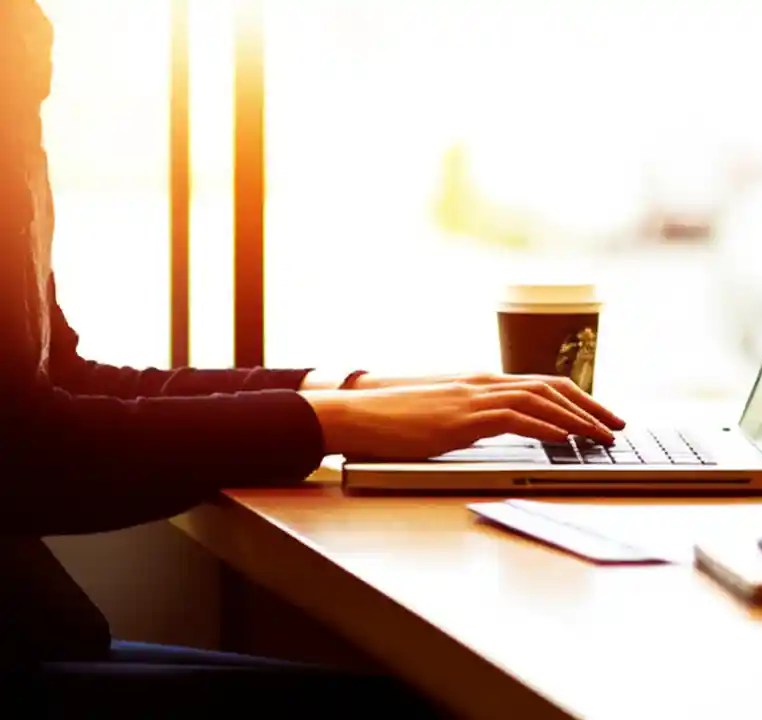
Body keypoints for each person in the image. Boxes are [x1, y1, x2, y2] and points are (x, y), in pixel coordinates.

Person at [0, 1, 625, 715]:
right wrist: (328, 423)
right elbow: (25, 454)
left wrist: (362, 391)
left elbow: (61, 381)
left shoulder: (18, 45)